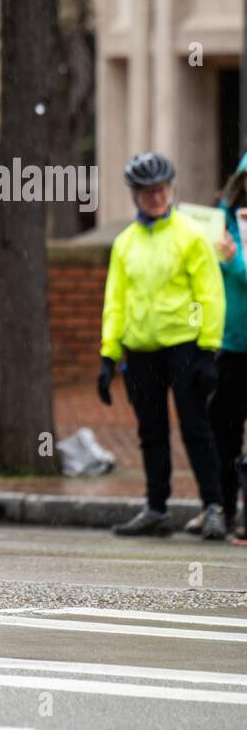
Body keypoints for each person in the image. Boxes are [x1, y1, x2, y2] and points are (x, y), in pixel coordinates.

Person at [99, 151, 226, 538]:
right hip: (140, 350)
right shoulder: (124, 244)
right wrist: (109, 355)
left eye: (160, 190)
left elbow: (209, 294)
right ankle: (156, 509)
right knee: (150, 431)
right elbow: (115, 301)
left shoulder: (190, 235)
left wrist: (207, 349)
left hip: (184, 346)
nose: (155, 197)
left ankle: (214, 506)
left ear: (170, 190)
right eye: (147, 192)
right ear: (135, 196)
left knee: (195, 428)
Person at [209, 153, 247, 542]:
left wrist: (235, 265)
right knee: (225, 432)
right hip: (229, 344)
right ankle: (223, 507)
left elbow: (237, 270)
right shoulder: (221, 223)